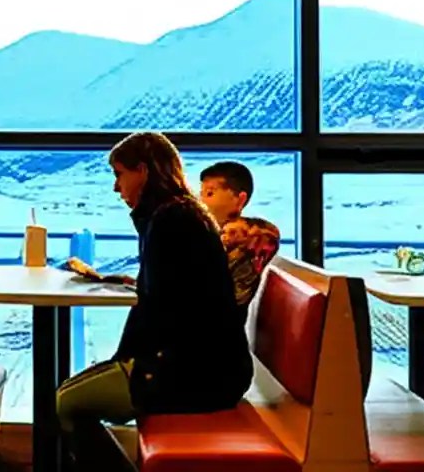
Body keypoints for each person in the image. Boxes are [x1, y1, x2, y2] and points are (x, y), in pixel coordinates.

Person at [56, 132, 253, 472]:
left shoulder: (169, 221)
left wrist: (126, 367)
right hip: (215, 365)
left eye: (119, 175)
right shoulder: (180, 214)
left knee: (66, 402)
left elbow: (161, 313)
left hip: (196, 373)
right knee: (72, 393)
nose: (117, 188)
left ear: (143, 172)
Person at [198, 161, 282, 313]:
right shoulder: (208, 232)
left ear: (239, 199)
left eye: (210, 193)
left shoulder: (256, 236)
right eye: (201, 194)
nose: (201, 201)